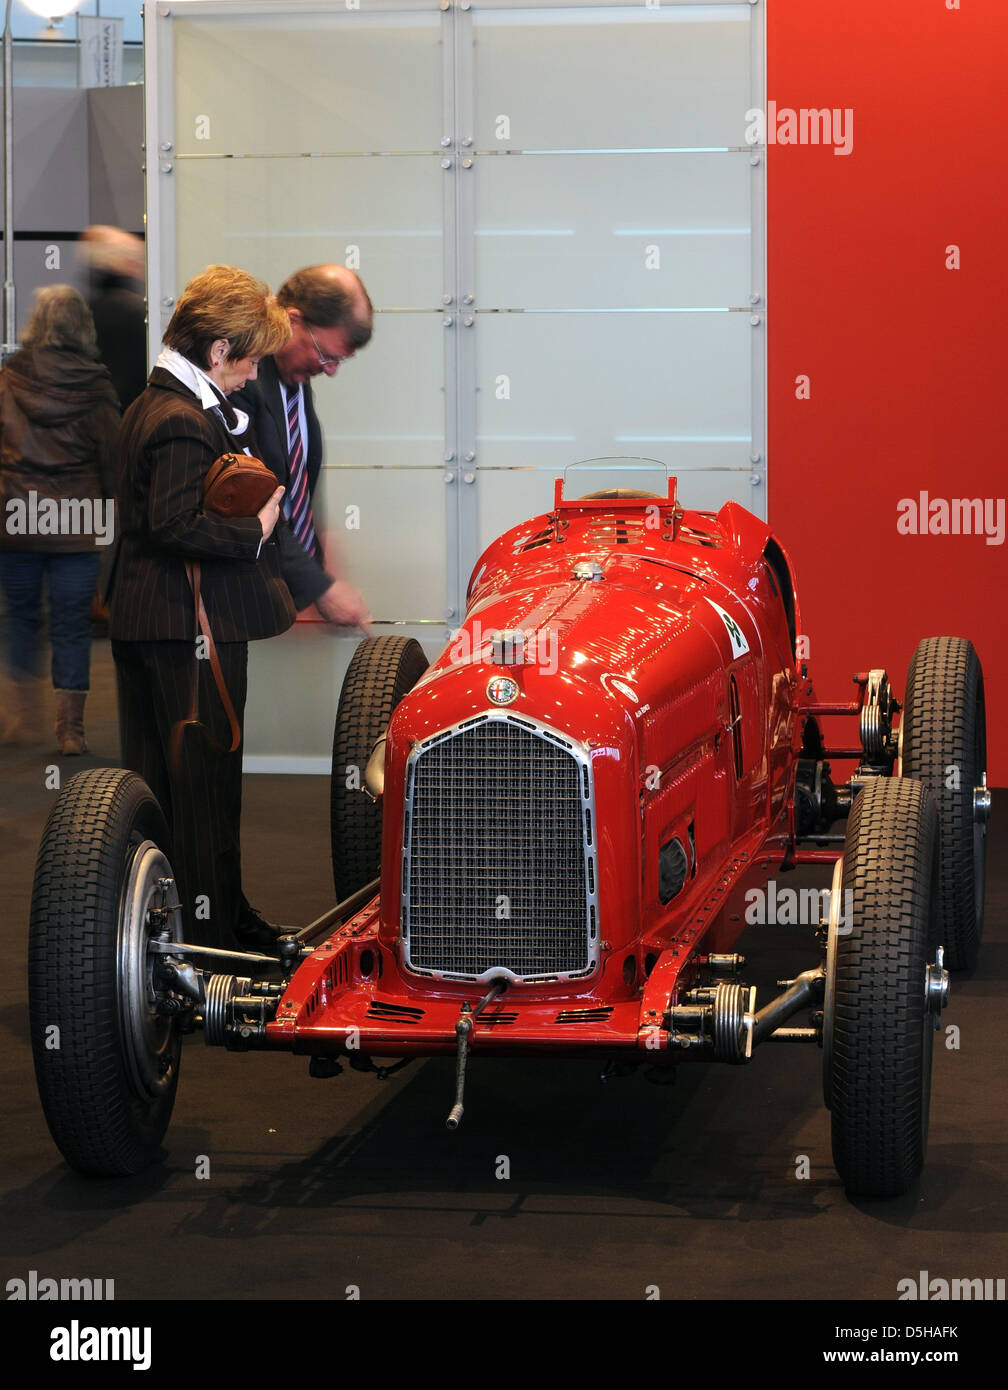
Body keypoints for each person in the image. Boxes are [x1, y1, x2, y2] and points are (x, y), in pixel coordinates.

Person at [109, 264, 316, 953]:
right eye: (250, 357)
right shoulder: (178, 420)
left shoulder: (157, 404)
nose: (254, 375)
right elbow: (172, 525)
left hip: (162, 624)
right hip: (183, 629)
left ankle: (208, 927)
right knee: (197, 791)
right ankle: (206, 945)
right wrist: (254, 531)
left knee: (175, 789)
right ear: (218, 349)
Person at [0, 285, 120, 752]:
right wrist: (115, 520)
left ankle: (16, 717)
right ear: (83, 326)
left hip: (17, 516)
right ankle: (70, 730)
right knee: (71, 624)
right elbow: (112, 460)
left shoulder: (9, 379)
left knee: (20, 617)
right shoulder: (96, 386)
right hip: (75, 521)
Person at [231, 264, 372, 627]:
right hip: (232, 601)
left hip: (278, 594)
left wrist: (317, 568)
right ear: (291, 319)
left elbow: (295, 483)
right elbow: (250, 501)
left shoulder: (292, 374)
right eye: (326, 355)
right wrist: (318, 587)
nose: (330, 370)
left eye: (338, 360)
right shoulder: (241, 379)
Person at [80, 225, 148, 412]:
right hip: (129, 415)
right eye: (135, 259)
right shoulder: (135, 311)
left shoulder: (85, 309)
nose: (140, 265)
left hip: (93, 415)